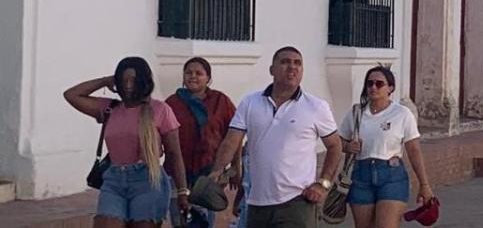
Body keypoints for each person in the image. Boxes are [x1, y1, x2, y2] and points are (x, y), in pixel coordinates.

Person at [207, 46, 342, 228]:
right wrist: (217, 170)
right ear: (272, 70)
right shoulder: (250, 102)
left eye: (297, 63)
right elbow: (231, 140)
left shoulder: (316, 107)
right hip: (257, 203)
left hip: (297, 201)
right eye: (285, 62)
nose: (292, 67)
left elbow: (335, 146)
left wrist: (323, 184)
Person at [64, 57, 190, 227]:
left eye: (133, 80)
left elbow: (174, 153)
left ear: (144, 81)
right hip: (114, 180)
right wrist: (104, 81)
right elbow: (71, 95)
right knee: (106, 223)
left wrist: (182, 190)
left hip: (148, 179)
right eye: (123, 80)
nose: (128, 85)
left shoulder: (160, 110)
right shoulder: (110, 108)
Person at [338, 66, 434, 228]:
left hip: (391, 175)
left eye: (379, 84)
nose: (373, 87)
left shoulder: (402, 114)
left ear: (390, 88)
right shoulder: (356, 113)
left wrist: (424, 185)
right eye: (369, 84)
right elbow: (337, 141)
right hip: (361, 174)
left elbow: (414, 150)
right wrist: (348, 146)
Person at [165, 57, 239, 225]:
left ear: (208, 78)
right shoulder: (172, 103)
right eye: (188, 73)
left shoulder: (221, 101)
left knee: (205, 221)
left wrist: (236, 168)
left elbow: (235, 134)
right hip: (177, 172)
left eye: (199, 73)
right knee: (181, 220)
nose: (193, 76)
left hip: (208, 174)